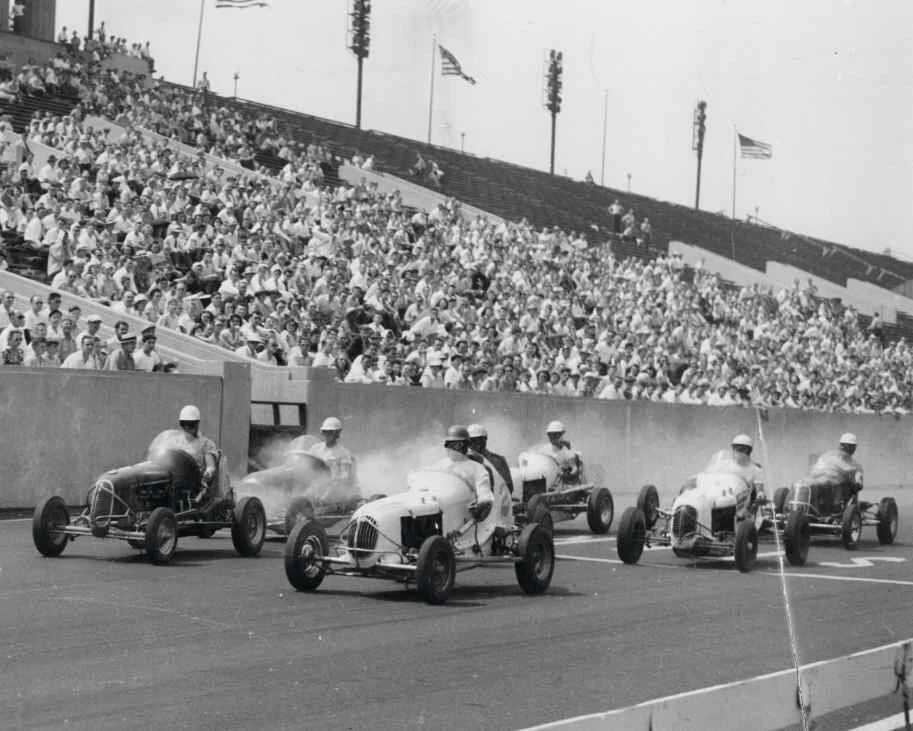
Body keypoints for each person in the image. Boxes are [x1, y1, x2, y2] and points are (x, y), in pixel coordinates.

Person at [433, 425, 498, 552]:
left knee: (480, 551)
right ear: (446, 445)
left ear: (465, 445)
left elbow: (485, 492)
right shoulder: (440, 465)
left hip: (467, 521)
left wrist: (484, 503)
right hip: (442, 510)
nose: (455, 448)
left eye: (459, 444)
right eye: (452, 444)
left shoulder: (477, 468)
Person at [172, 404, 219, 506]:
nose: (187, 427)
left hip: (194, 483)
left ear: (197, 424)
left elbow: (211, 466)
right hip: (175, 480)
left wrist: (208, 473)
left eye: (190, 424)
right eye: (184, 424)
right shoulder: (174, 441)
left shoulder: (206, 443)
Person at [806, 433, 864, 511]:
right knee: (809, 486)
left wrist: (857, 482)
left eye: (852, 446)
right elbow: (816, 471)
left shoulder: (855, 465)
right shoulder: (828, 457)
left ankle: (833, 509)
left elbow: (858, 481)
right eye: (845, 445)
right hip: (823, 487)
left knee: (838, 486)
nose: (852, 449)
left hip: (837, 492)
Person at [307, 416, 357, 494]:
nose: (327, 435)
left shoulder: (344, 453)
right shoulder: (315, 449)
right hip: (315, 488)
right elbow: (307, 468)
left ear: (337, 434)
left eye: (330, 432)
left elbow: (345, 475)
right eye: (325, 432)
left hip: (334, 491)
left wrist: (335, 483)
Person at [467, 423, 515, 494]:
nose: (477, 443)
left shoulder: (499, 460)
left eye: (480, 440)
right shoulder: (463, 460)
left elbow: (508, 486)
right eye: (473, 440)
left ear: (485, 440)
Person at [728, 433, 766, 514]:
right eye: (735, 448)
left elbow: (759, 488)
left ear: (748, 450)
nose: (737, 451)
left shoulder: (755, 469)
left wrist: (760, 493)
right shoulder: (727, 465)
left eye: (740, 449)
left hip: (743, 504)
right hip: (726, 499)